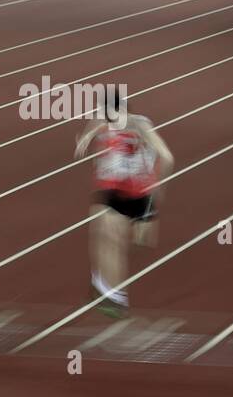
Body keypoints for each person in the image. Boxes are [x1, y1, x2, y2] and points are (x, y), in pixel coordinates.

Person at [74, 90, 173, 317]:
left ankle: (106, 287)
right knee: (104, 234)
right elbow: (96, 122)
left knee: (141, 242)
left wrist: (158, 189)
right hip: (115, 188)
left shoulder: (140, 125)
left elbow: (167, 157)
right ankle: (110, 293)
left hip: (141, 193)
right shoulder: (106, 119)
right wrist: (86, 139)